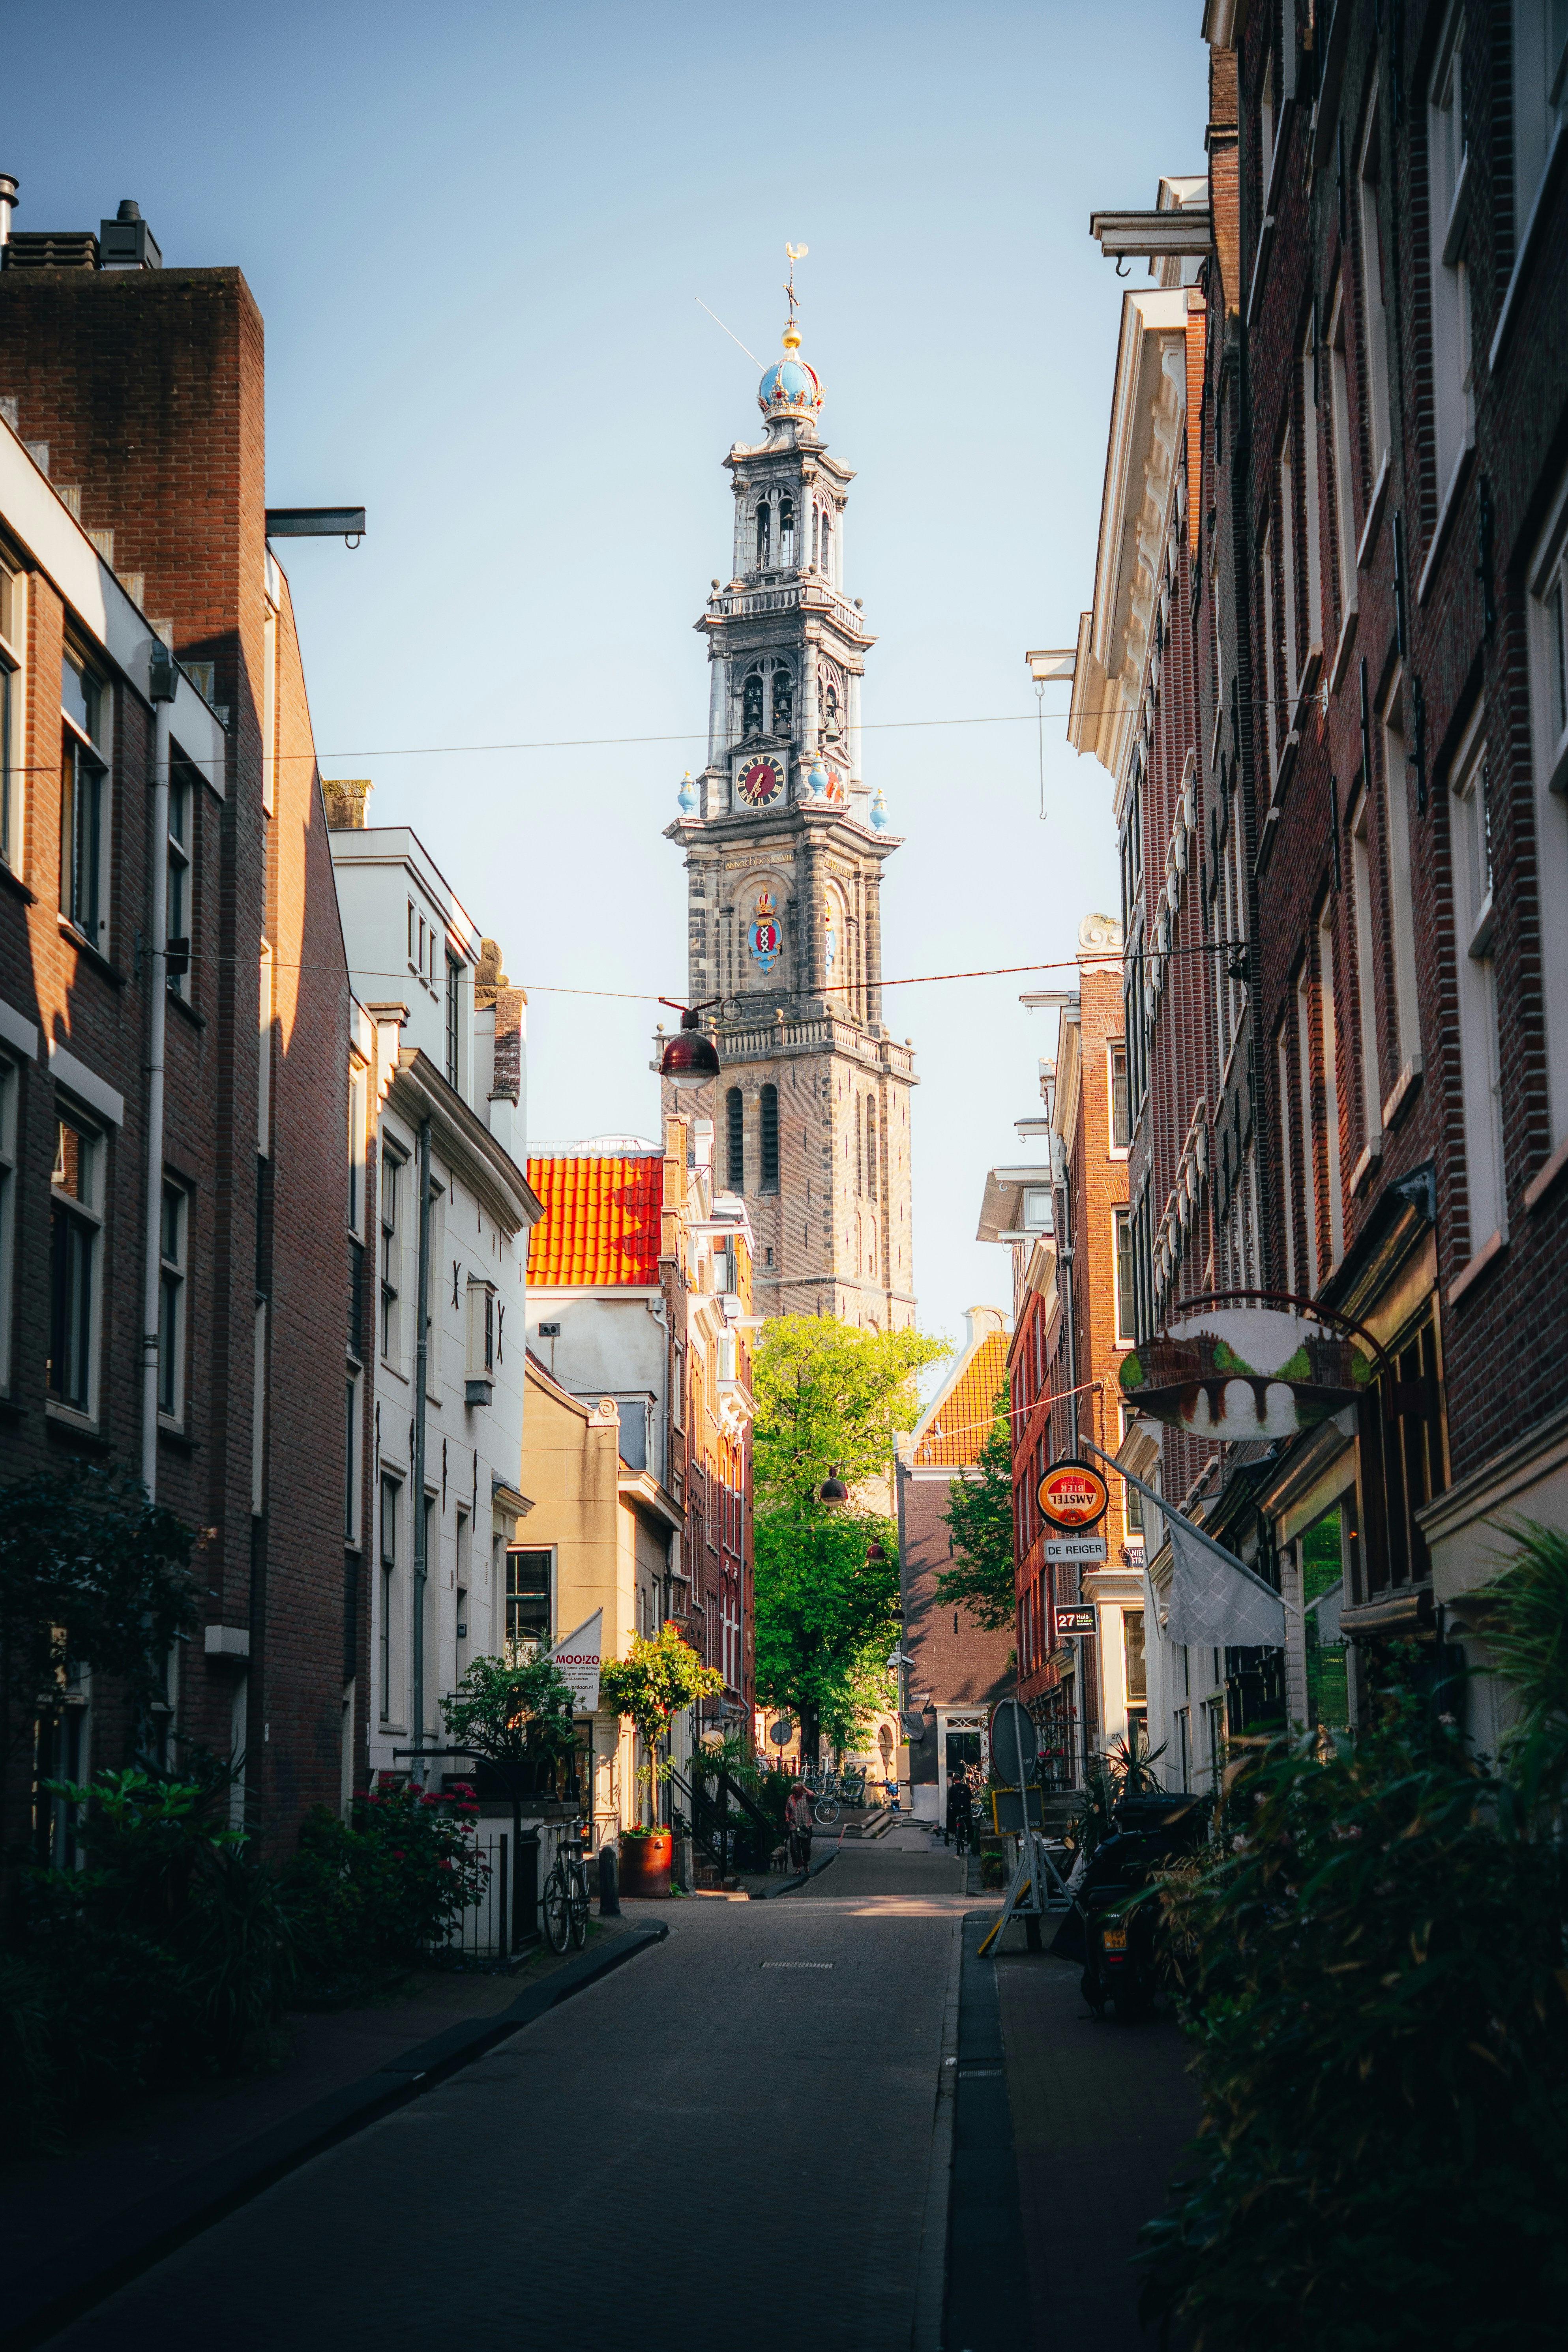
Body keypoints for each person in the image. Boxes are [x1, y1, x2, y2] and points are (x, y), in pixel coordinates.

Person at [785, 1780, 815, 1874]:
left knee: (806, 1848)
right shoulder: (791, 1798)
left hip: (806, 1825)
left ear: (801, 1791)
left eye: (798, 1791)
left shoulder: (806, 1797)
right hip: (794, 1826)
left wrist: (805, 1788)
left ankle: (806, 1863)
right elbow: (787, 1810)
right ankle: (798, 1868)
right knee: (795, 1848)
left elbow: (812, 1795)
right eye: (795, 1791)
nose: (796, 1793)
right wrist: (787, 1818)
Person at [945, 1770, 974, 1854]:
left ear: (954, 1780)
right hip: (966, 1810)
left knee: (951, 1821)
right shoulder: (966, 1788)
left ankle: (954, 1834)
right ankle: (970, 1842)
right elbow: (970, 1798)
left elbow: (950, 1801)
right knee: (969, 1826)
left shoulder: (952, 1789)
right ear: (961, 1780)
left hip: (956, 1810)